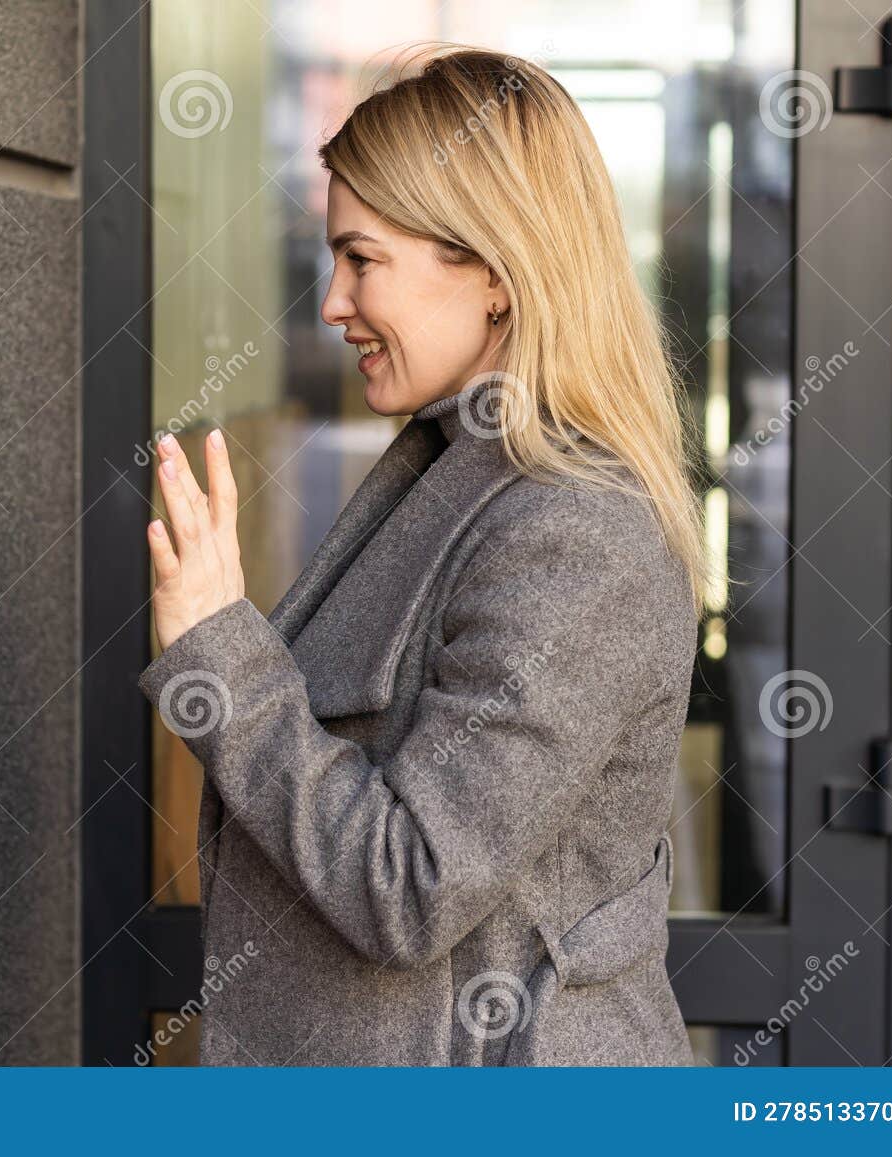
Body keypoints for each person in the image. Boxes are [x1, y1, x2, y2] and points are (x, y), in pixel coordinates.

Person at [138, 44, 708, 1066]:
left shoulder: (576, 531)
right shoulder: (459, 471)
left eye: (362, 260)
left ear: (492, 271)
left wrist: (223, 657)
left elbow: (410, 883)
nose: (333, 303)